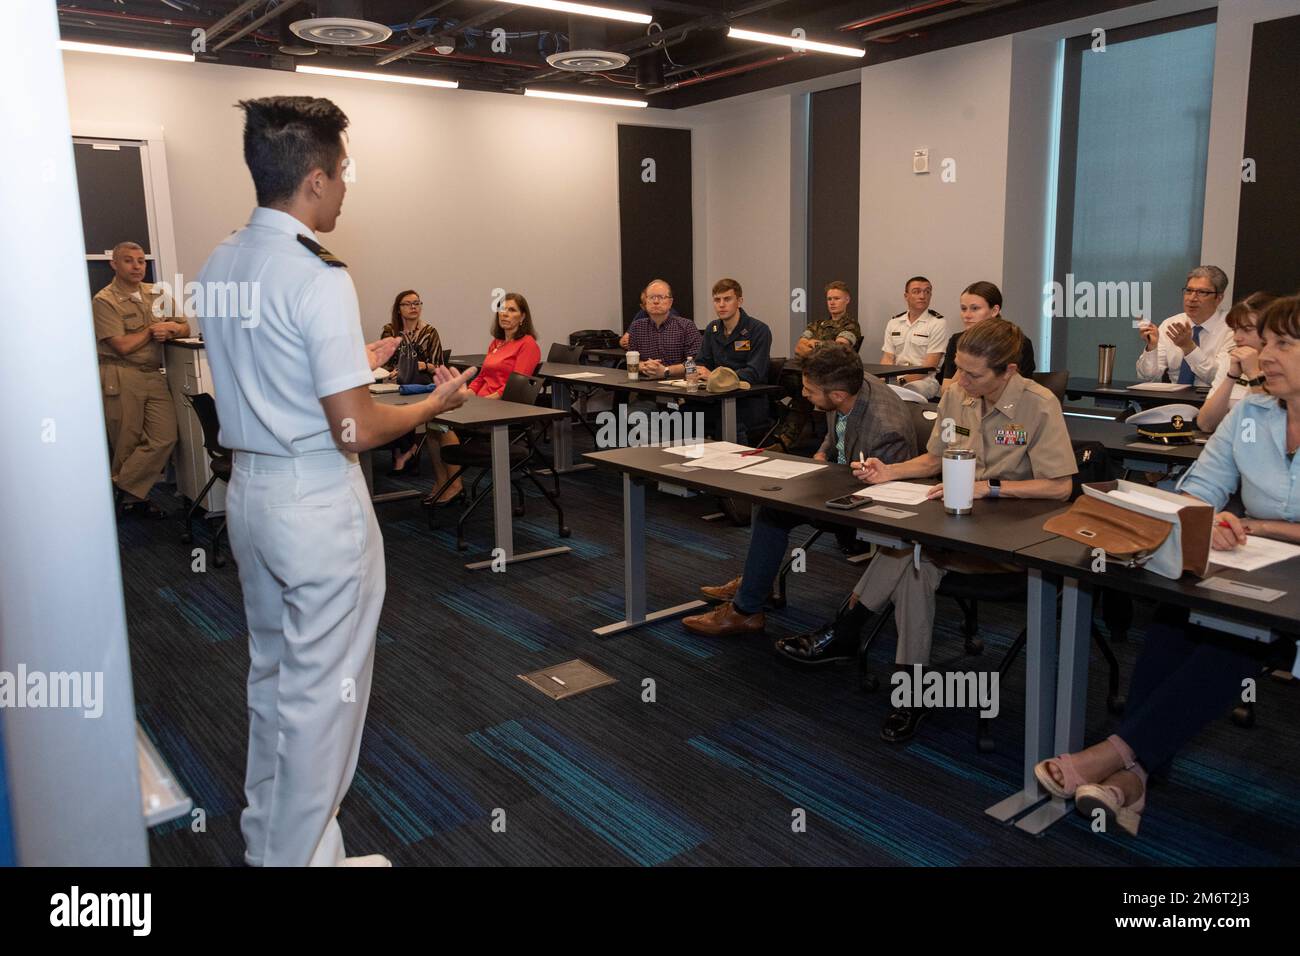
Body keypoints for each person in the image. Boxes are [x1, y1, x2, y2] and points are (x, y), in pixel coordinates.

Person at [195, 95, 475, 867]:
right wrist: (432, 404)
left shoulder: (224, 260)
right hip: (316, 501)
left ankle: (286, 847)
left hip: (250, 492)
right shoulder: (320, 275)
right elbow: (354, 428)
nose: (348, 188)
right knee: (324, 705)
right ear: (314, 180)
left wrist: (355, 359)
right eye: (344, 173)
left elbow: (268, 364)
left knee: (274, 679)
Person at [1035, 295, 1300, 836]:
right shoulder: (1251, 412)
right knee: (1175, 618)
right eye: (1265, 342)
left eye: (1283, 345)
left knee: (1236, 636)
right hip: (1263, 570)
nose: (1262, 354)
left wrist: (1256, 525)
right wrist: (1209, 515)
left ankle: (1115, 754)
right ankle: (1132, 777)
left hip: (1284, 587)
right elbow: (1199, 486)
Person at [852, 318, 1076, 742]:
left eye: (972, 374)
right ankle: (912, 692)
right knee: (915, 561)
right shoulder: (958, 393)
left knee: (911, 557)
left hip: (1011, 536)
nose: (957, 379)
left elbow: (1060, 486)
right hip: (958, 527)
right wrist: (890, 472)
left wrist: (990, 488)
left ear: (1008, 371)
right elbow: (936, 458)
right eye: (957, 368)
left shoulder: (1039, 404)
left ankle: (848, 627)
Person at [683, 344, 915, 639]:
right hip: (835, 479)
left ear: (838, 395)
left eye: (810, 390)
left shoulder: (885, 428)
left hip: (866, 504)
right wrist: (820, 455)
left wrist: (821, 485)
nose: (804, 395)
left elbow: (885, 492)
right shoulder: (848, 385)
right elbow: (836, 434)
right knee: (767, 497)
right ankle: (757, 586)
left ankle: (746, 610)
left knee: (772, 509)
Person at [92, 240, 190, 517]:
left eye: (141, 261)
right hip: (121, 374)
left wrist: (171, 329)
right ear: (114, 264)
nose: (137, 266)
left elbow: (185, 325)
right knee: (127, 440)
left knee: (165, 436)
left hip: (153, 374)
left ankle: (118, 488)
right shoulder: (105, 300)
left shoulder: (155, 292)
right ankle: (133, 501)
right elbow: (121, 346)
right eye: (129, 260)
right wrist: (150, 331)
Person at [770, 281, 863, 450]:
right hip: (808, 375)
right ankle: (774, 435)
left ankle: (785, 441)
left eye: (837, 298)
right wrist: (821, 345)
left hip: (834, 378)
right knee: (772, 385)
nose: (832, 302)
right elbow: (799, 348)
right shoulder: (816, 324)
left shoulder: (851, 325)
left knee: (803, 393)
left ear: (847, 300)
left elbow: (839, 349)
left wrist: (813, 343)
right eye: (829, 299)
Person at [379, 290, 446, 476]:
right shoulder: (390, 331)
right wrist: (390, 371)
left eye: (417, 303)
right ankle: (406, 449)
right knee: (391, 403)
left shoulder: (430, 332)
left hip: (422, 382)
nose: (413, 307)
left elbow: (439, 366)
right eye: (407, 304)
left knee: (403, 401)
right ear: (399, 309)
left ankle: (405, 451)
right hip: (395, 382)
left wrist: (423, 365)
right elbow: (384, 362)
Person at [695, 278, 772, 439]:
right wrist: (697, 372)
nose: (721, 304)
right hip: (714, 397)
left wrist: (715, 376)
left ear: (739, 301)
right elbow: (702, 362)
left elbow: (754, 372)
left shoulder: (758, 330)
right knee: (683, 414)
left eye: (727, 299)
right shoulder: (712, 329)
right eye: (717, 300)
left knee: (724, 423)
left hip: (747, 400)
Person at [1135, 265, 1231, 386]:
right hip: (1174, 399)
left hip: (1213, 399)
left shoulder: (1233, 328)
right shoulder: (1171, 324)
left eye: (1202, 292)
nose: (1192, 298)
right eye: (1189, 291)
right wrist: (1152, 347)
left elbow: (1222, 379)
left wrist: (1189, 348)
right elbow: (1147, 376)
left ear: (1219, 298)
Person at [1196, 292, 1275, 433]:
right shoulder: (1231, 359)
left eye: (1247, 330)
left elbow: (1270, 424)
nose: (1237, 338)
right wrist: (1231, 376)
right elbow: (1206, 424)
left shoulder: (1289, 367)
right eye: (1235, 330)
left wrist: (1254, 374)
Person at [938, 281, 1035, 390]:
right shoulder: (957, 340)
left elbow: (1020, 391)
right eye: (964, 309)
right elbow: (946, 392)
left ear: (994, 311)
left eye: (975, 308)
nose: (967, 315)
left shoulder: (1018, 343)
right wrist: (963, 364)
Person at [618, 279, 701, 380]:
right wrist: (645, 366)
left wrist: (666, 370)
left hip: (679, 386)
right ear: (645, 302)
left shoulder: (687, 326)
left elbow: (696, 363)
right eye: (652, 297)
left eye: (661, 297)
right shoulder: (637, 327)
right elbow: (632, 360)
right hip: (646, 386)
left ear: (670, 302)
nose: (656, 301)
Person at [880, 276, 948, 399]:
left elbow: (929, 365)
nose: (922, 296)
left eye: (927, 292)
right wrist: (883, 379)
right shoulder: (894, 322)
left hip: (924, 381)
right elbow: (887, 358)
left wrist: (900, 381)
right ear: (906, 296)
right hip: (895, 378)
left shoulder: (937, 323)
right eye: (916, 291)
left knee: (909, 391)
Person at [469, 293, 541, 398]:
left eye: (512, 310)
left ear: (522, 317)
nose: (505, 314)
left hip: (502, 404)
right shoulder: (496, 343)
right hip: (482, 400)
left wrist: (484, 402)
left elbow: (516, 384)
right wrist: (463, 397)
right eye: (502, 309)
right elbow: (481, 378)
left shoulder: (528, 344)